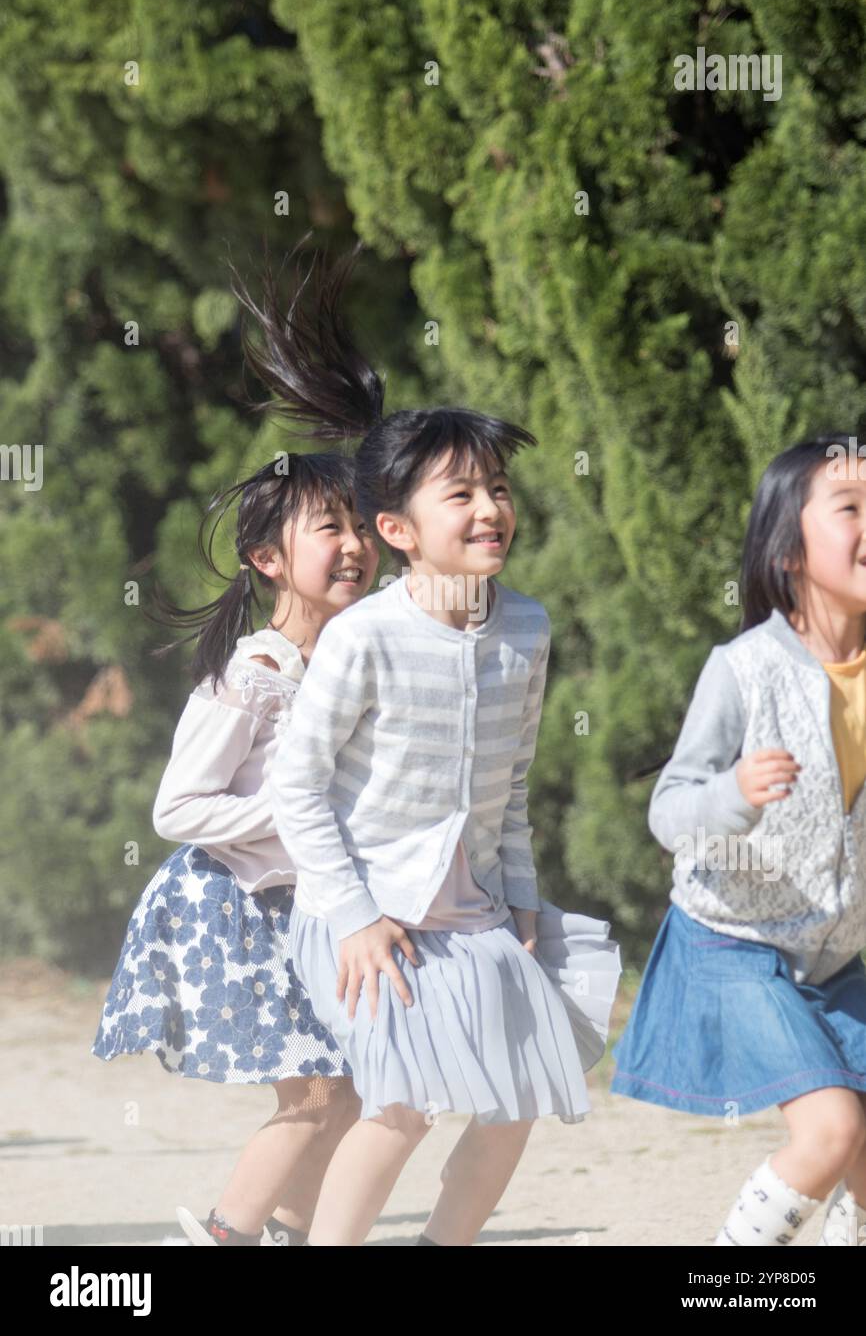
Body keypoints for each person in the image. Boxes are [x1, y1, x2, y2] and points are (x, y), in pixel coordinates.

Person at [238, 235, 622, 1246]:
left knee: (517, 1099)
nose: (490, 508)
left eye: (495, 487)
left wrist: (526, 900)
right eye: (460, 494)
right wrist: (356, 914)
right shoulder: (364, 636)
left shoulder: (526, 628)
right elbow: (298, 788)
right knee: (401, 1102)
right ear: (397, 527)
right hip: (368, 913)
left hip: (477, 907)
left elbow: (514, 785)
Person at [92, 440, 379, 1246]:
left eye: (361, 524)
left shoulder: (356, 665)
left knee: (346, 1091)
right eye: (330, 526)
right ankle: (221, 1237)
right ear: (268, 559)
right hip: (231, 906)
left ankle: (286, 1236)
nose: (355, 544)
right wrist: (289, 812)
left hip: (308, 907)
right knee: (317, 1097)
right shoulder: (253, 670)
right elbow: (176, 807)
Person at [610, 434, 866, 1247]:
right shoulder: (744, 667)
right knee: (830, 1131)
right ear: (789, 549)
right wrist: (732, 795)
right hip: (731, 940)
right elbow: (669, 809)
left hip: (836, 955)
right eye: (853, 508)